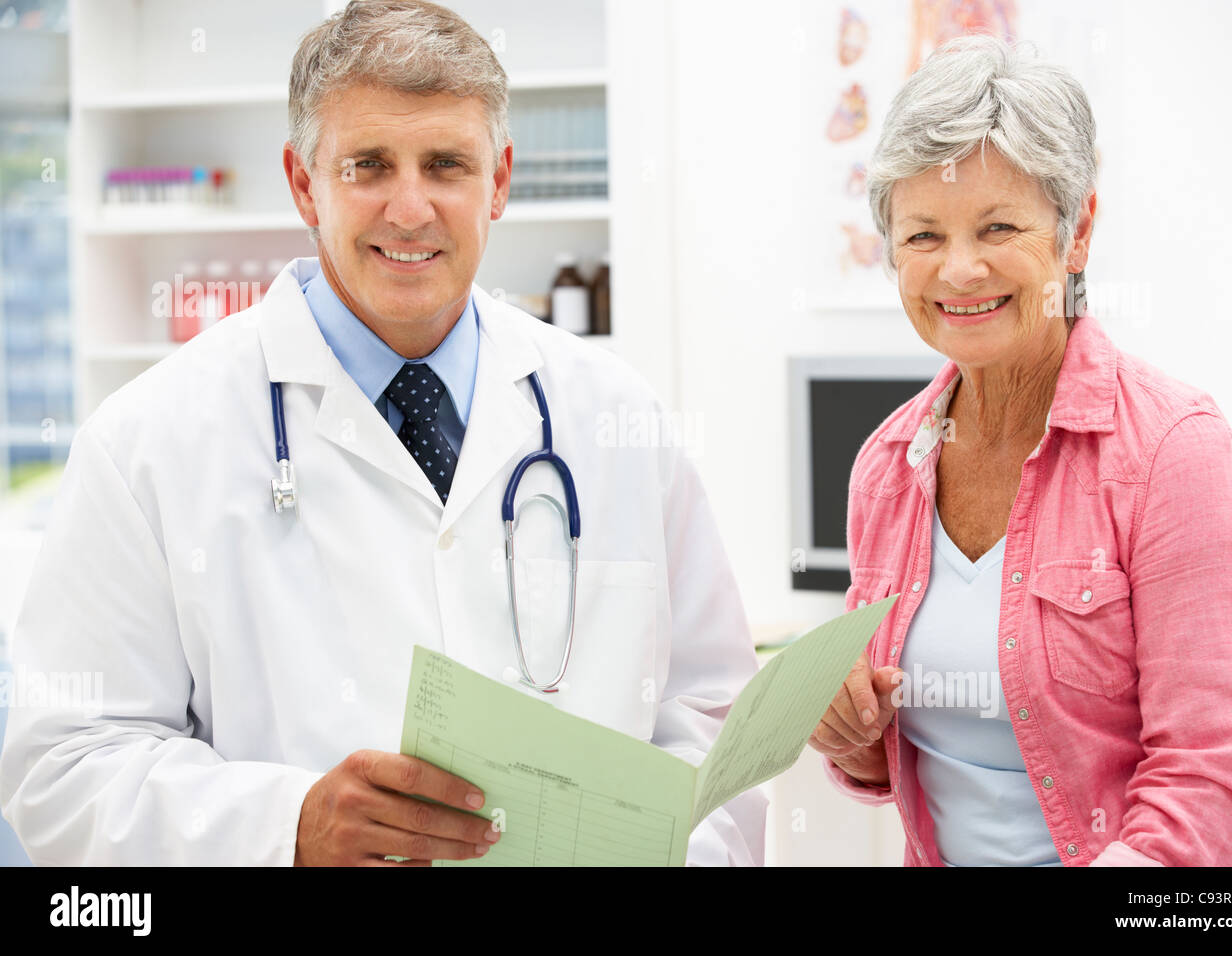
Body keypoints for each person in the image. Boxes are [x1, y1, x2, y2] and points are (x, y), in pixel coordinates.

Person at [0, 0, 765, 866]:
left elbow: (716, 720)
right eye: (368, 166)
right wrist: (287, 826)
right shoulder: (147, 441)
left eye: (446, 164)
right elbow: (62, 767)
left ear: (500, 181)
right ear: (303, 183)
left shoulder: (614, 416)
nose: (410, 210)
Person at [809, 33, 1232, 866]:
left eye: (998, 226)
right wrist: (850, 733)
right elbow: (902, 764)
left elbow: (1204, 785)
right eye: (924, 235)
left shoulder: (1175, 453)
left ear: (1076, 234)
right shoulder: (887, 466)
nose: (959, 270)